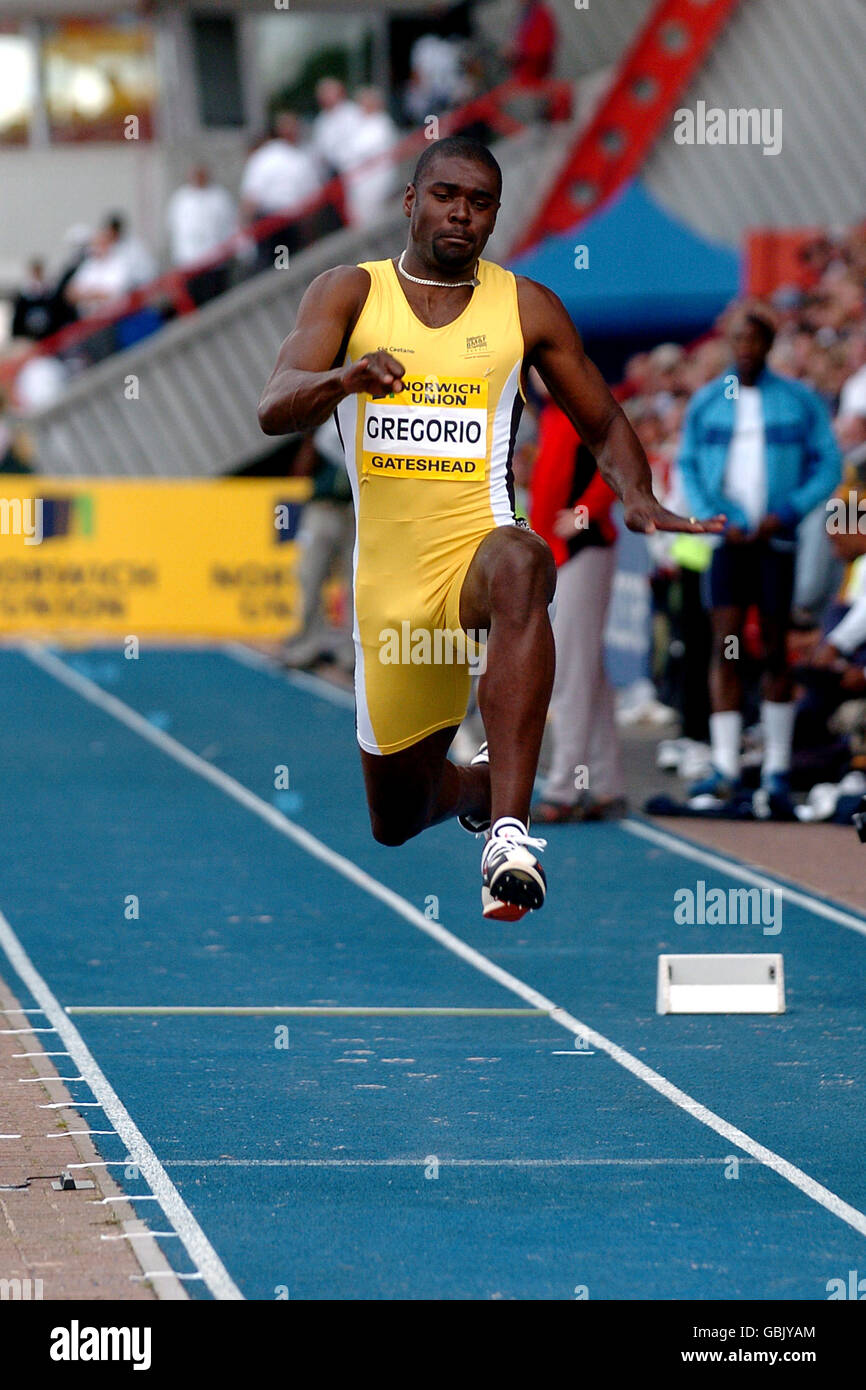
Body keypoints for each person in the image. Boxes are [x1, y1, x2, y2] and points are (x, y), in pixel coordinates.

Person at [257, 136, 721, 920]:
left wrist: (636, 495)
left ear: (495, 216)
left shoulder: (527, 305)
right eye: (445, 196)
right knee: (395, 819)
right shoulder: (349, 294)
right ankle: (474, 787)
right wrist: (344, 377)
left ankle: (509, 831)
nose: (461, 214)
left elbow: (602, 418)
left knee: (524, 562)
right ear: (410, 202)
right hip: (388, 590)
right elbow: (274, 405)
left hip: (476, 553)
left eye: (479, 203)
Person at [678, 307, 842, 816]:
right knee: (724, 647)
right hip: (730, 541)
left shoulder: (797, 400)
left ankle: (776, 766)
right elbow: (688, 465)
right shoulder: (709, 402)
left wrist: (788, 511)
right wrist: (714, 515)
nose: (745, 348)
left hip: (776, 540)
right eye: (737, 340)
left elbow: (828, 463)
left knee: (774, 650)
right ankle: (726, 765)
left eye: (754, 340)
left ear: (768, 345)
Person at [528, 400, 626, 822]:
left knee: (570, 669)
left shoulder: (587, 407)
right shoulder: (551, 414)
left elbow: (620, 463)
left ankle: (565, 787)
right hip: (561, 551)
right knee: (588, 672)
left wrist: (585, 514)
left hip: (581, 550)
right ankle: (605, 783)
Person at [65, 214, 156, 318]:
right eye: (95, 244)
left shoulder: (120, 262)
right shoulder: (89, 265)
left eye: (100, 244)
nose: (96, 248)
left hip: (114, 318)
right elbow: (70, 293)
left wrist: (86, 293)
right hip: (91, 319)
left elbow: (114, 292)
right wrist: (94, 293)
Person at [340, 88, 399, 229]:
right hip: (358, 183)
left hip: (377, 178)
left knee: (378, 221)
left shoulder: (382, 123)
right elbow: (344, 153)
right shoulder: (358, 125)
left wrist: (351, 154)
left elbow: (363, 151)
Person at [166, 164, 237, 269]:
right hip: (189, 257)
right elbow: (172, 224)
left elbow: (230, 222)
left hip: (215, 254)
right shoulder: (181, 198)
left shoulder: (219, 196)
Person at [311, 79, 362, 181]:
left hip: (351, 166)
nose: (325, 96)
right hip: (329, 171)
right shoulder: (320, 120)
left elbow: (357, 141)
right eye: (323, 93)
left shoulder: (352, 112)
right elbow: (319, 147)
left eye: (328, 92)